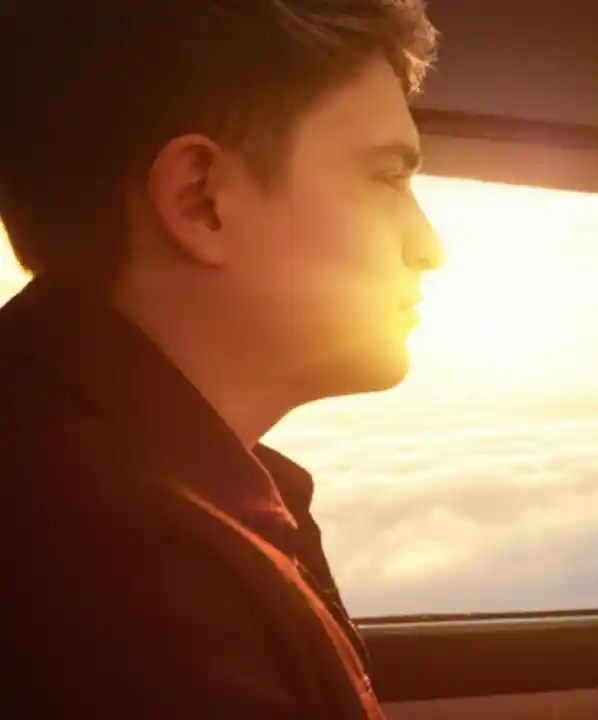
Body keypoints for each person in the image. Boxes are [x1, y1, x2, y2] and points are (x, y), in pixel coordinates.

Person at [0, 2, 441, 717]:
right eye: (388, 177)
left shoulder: (128, 494)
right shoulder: (126, 584)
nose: (429, 247)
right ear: (202, 199)